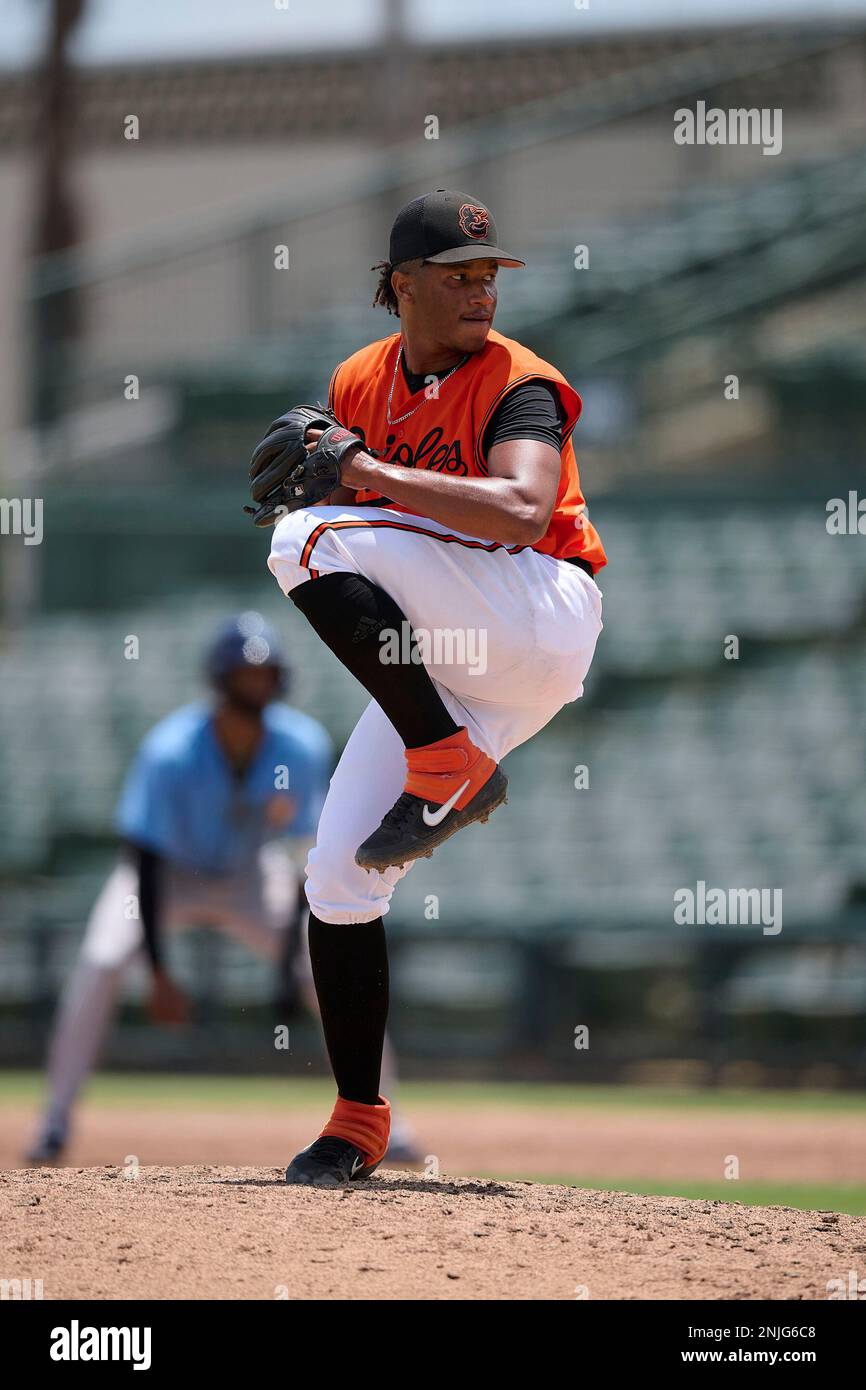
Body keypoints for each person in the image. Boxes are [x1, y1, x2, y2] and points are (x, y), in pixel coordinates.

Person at [258, 188, 607, 1187]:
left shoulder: (516, 381)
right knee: (335, 880)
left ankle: (445, 760)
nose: (480, 291)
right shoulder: (356, 380)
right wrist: (330, 476)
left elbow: (520, 509)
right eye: (458, 274)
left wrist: (352, 474)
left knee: (305, 540)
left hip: (538, 609)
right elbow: (358, 528)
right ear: (400, 285)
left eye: (489, 273)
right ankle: (359, 1118)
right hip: (456, 657)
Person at [25, 612, 417, 1166]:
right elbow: (145, 859)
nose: (256, 683)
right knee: (101, 960)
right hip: (166, 877)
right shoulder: (171, 749)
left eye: (264, 674)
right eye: (244, 674)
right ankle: (54, 1123)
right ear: (220, 679)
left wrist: (285, 962)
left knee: (328, 966)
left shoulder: (298, 744)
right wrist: (159, 974)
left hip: (247, 876)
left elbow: (305, 858)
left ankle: (387, 1121)